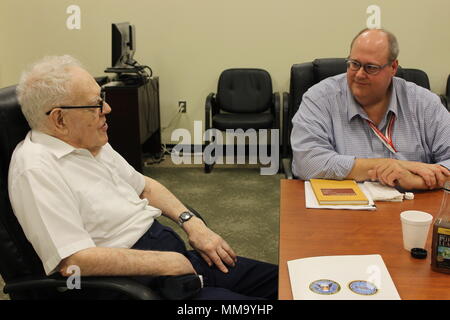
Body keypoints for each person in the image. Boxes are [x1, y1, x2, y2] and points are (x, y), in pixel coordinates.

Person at [8, 55, 278, 300]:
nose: (108, 109)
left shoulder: (90, 141)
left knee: (286, 281)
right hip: (135, 286)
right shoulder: (36, 169)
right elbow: (74, 261)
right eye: (95, 104)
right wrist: (166, 263)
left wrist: (192, 223)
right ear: (59, 120)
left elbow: (145, 187)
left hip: (173, 260)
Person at [291, 28, 450, 190]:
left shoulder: (424, 103)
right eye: (354, 64)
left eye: (371, 67)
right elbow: (307, 162)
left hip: (414, 208)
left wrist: (416, 181)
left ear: (393, 67)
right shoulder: (320, 99)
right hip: (345, 207)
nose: (359, 74)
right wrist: (391, 165)